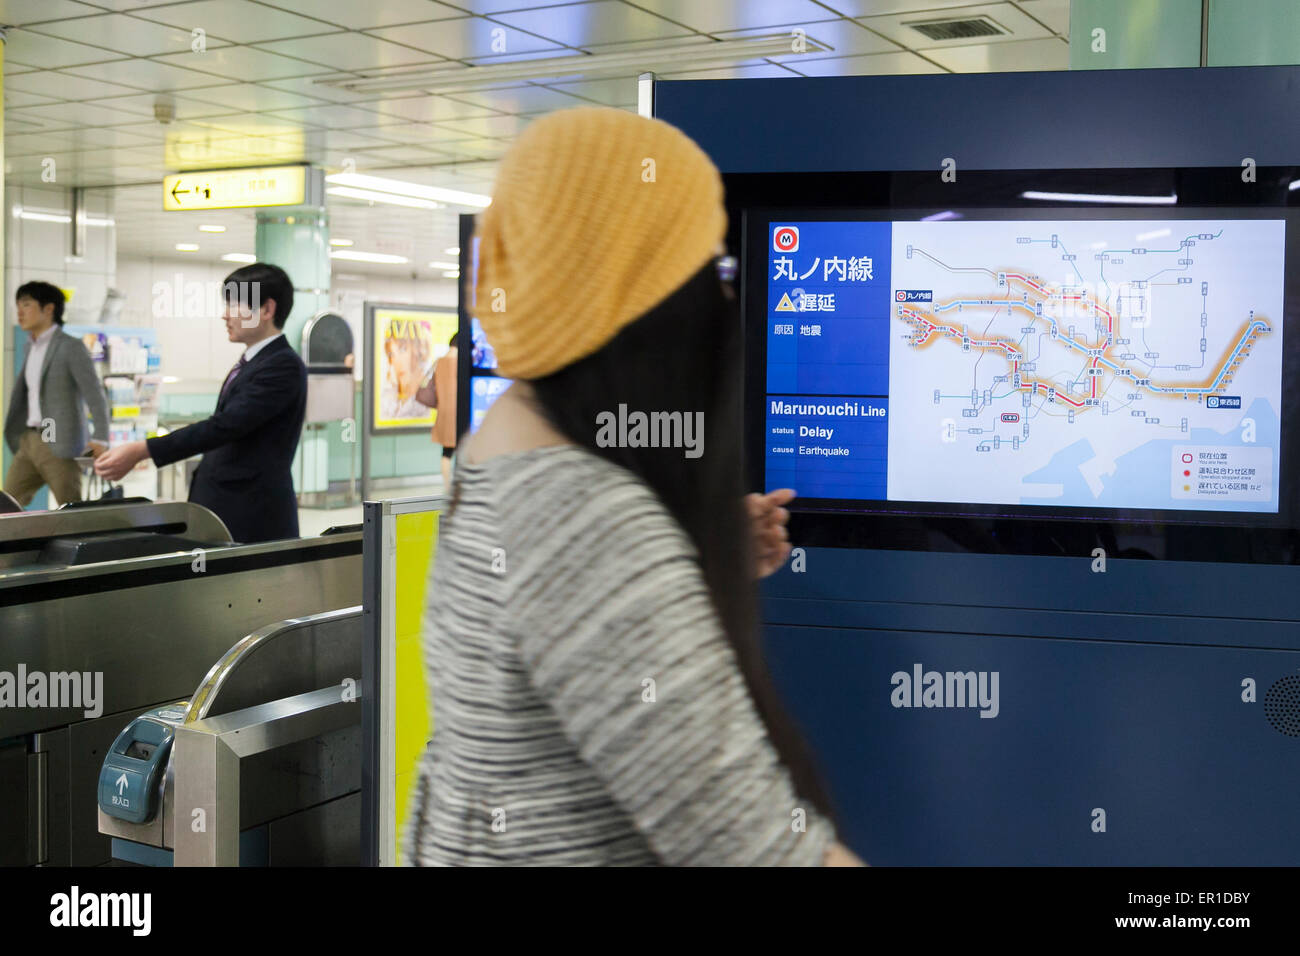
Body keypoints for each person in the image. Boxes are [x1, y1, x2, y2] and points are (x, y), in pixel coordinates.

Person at [404, 107, 862, 867]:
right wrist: (637, 565)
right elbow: (761, 854)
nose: (724, 301)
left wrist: (674, 565)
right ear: (649, 302)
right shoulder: (585, 521)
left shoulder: (496, 461)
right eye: (710, 268)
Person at [95, 263, 307, 544]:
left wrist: (142, 450)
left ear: (267, 310)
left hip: (252, 515)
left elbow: (225, 426)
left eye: (234, 305)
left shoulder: (282, 366)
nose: (224, 315)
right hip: (228, 508)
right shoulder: (253, 362)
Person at [3, 281, 111, 507]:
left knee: (71, 509)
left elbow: (95, 394)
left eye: (26, 305)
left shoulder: (71, 347)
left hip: (57, 439)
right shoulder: (29, 347)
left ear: (49, 309)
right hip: (29, 439)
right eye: (18, 306)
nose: (19, 312)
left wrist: (100, 437)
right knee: (7, 504)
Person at [415, 333, 459, 490]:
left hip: (444, 413)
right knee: (463, 449)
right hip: (460, 413)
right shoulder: (462, 363)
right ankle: (461, 486)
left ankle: (447, 487)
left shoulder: (438, 363)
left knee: (447, 452)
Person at [380, 319, 432, 422]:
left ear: (419, 349)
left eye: (403, 349)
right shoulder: (387, 398)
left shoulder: (430, 396)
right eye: (392, 354)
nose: (397, 361)